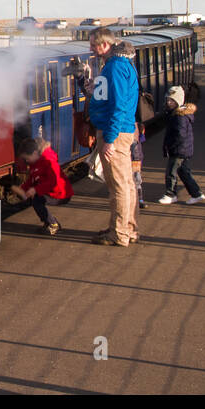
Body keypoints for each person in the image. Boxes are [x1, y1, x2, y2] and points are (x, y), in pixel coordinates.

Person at [87, 28, 140, 246]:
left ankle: (119, 234)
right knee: (126, 183)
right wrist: (94, 89)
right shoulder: (116, 65)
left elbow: (119, 105)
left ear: (104, 44)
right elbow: (110, 97)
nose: (90, 48)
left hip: (114, 133)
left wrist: (109, 138)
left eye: (93, 44)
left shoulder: (116, 67)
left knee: (118, 186)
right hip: (120, 130)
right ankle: (127, 228)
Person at [10, 136, 73, 234]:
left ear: (35, 153)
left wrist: (36, 190)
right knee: (36, 200)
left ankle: (53, 224)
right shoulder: (35, 162)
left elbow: (53, 182)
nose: (26, 161)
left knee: (37, 200)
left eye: (27, 158)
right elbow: (32, 179)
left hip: (60, 193)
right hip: (50, 191)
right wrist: (23, 189)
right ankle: (49, 222)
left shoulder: (49, 161)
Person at [157, 85, 204, 205]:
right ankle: (196, 193)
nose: (169, 102)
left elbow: (180, 134)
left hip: (178, 150)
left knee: (171, 172)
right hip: (183, 149)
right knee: (184, 172)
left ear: (178, 101)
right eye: (168, 99)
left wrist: (172, 147)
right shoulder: (178, 114)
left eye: (172, 100)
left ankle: (170, 194)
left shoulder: (179, 117)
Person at [114, 41, 146, 209]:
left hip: (125, 137)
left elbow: (118, 104)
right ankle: (136, 202)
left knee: (128, 181)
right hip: (131, 135)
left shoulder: (119, 68)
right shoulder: (131, 69)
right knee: (132, 179)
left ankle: (134, 206)